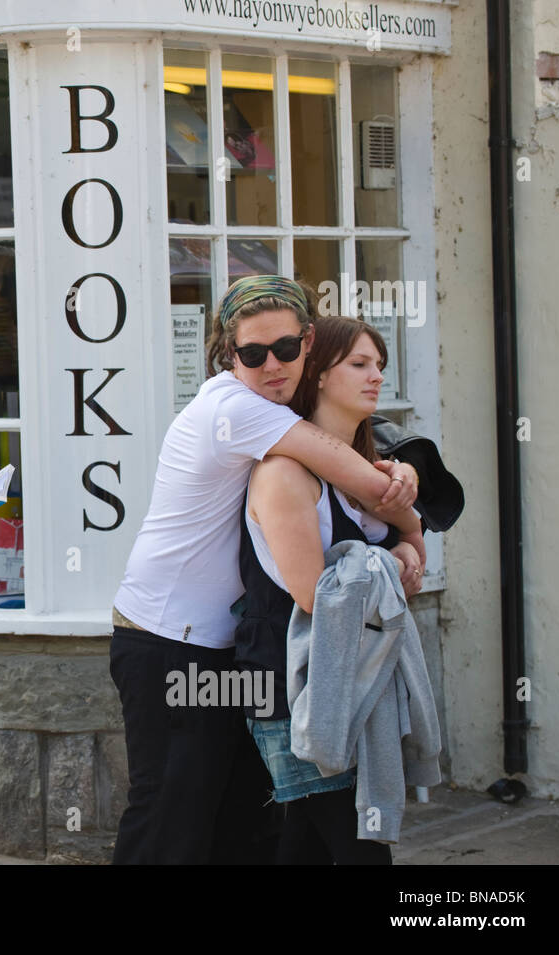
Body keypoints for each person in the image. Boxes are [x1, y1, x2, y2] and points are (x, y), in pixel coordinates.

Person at [109, 275, 426, 865]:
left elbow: (364, 480)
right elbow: (372, 488)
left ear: (308, 342)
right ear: (230, 356)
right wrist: (406, 509)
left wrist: (404, 492)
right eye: (253, 354)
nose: (272, 365)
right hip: (166, 641)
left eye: (285, 348)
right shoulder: (237, 407)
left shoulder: (272, 415)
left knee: (244, 818)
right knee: (171, 813)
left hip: (229, 645)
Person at [237, 316, 422, 864]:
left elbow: (414, 543)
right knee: (356, 847)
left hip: (350, 676)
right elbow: (316, 595)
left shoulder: (362, 466)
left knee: (311, 843)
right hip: (293, 683)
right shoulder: (285, 472)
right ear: (317, 374)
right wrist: (391, 562)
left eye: (380, 367)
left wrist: (404, 553)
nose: (376, 378)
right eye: (360, 365)